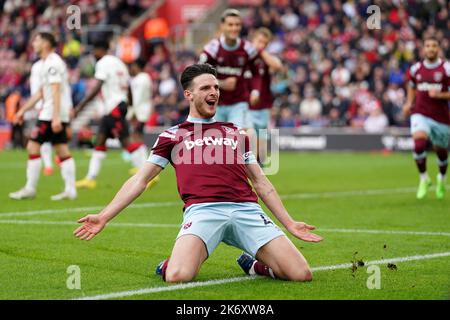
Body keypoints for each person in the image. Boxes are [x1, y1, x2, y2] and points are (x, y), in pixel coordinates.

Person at [74, 64, 322, 283]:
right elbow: (140, 180)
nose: (213, 92)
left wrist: (289, 223)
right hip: (203, 212)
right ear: (189, 94)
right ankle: (172, 262)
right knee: (177, 276)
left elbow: (260, 181)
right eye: (205, 88)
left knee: (301, 274)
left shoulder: (236, 133)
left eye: (215, 87)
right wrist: (104, 216)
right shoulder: (172, 136)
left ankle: (253, 264)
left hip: (247, 211)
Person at [74, 40, 151, 189]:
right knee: (100, 141)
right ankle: (90, 178)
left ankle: (147, 176)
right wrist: (129, 104)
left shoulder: (103, 62)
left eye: (94, 50)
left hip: (114, 106)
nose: (93, 54)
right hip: (118, 105)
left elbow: (98, 86)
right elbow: (128, 86)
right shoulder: (119, 63)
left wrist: (80, 106)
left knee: (126, 142)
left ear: (100, 49)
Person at [9, 32, 77, 201]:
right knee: (62, 150)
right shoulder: (47, 63)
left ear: (46, 44)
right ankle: (70, 190)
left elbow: (55, 90)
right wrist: (22, 110)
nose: (34, 43)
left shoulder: (52, 62)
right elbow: (41, 92)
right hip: (53, 112)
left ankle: (30, 188)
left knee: (32, 147)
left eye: (37, 40)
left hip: (50, 113)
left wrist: (55, 117)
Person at [198, 8, 281, 130]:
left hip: (248, 104)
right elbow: (199, 75)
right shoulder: (212, 48)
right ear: (222, 26)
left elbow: (268, 69)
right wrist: (220, 84)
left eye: (237, 25)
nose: (234, 28)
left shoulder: (251, 51)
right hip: (217, 103)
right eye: (230, 25)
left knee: (251, 142)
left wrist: (255, 91)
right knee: (219, 143)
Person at [403, 36, 450, 200]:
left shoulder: (446, 68)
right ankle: (424, 178)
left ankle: (441, 179)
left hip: (441, 117)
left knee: (442, 154)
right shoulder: (416, 68)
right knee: (419, 144)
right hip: (420, 112)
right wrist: (409, 103)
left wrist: (441, 94)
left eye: (434, 46)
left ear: (438, 49)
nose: (430, 48)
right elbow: (411, 86)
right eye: (428, 45)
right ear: (423, 49)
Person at [248, 27, 283, 166]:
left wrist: (261, 51)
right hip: (245, 104)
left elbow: (278, 66)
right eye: (259, 41)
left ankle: (258, 167)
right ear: (252, 40)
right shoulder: (244, 57)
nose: (261, 45)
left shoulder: (265, 59)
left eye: (264, 43)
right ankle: (250, 166)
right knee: (249, 137)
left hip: (263, 105)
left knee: (260, 140)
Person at [30, 56, 55, 176]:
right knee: (55, 140)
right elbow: (36, 88)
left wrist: (39, 104)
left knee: (37, 141)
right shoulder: (37, 66)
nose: (34, 43)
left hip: (46, 106)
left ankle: (48, 165)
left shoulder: (52, 63)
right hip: (43, 105)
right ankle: (52, 163)